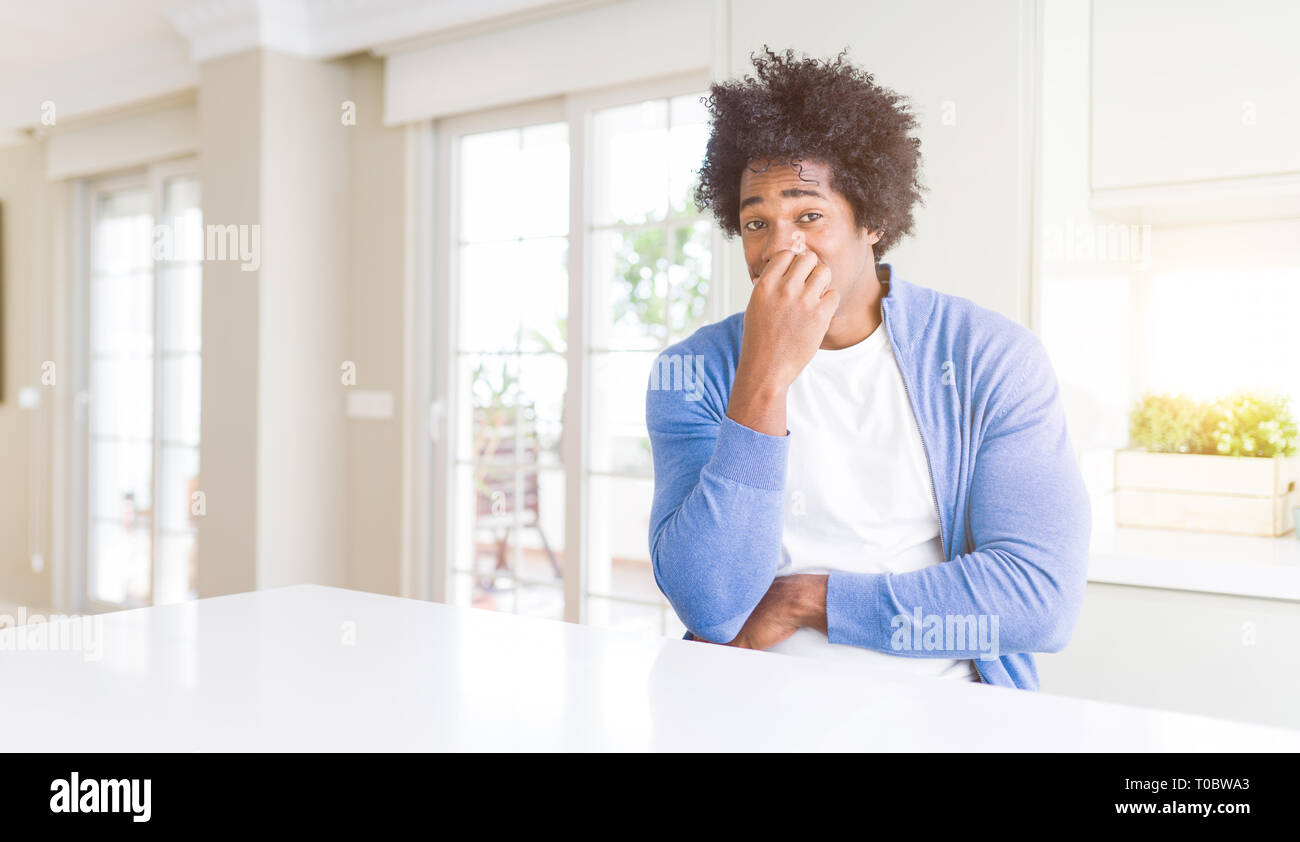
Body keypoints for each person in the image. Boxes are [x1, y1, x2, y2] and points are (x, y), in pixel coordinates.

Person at [644, 47, 1091, 690]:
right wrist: (764, 379)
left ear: (873, 218)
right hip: (747, 709)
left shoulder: (989, 358)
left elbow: (1039, 601)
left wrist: (811, 600)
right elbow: (712, 606)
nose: (777, 247)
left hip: (944, 716)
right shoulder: (692, 374)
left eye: (808, 215)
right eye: (755, 222)